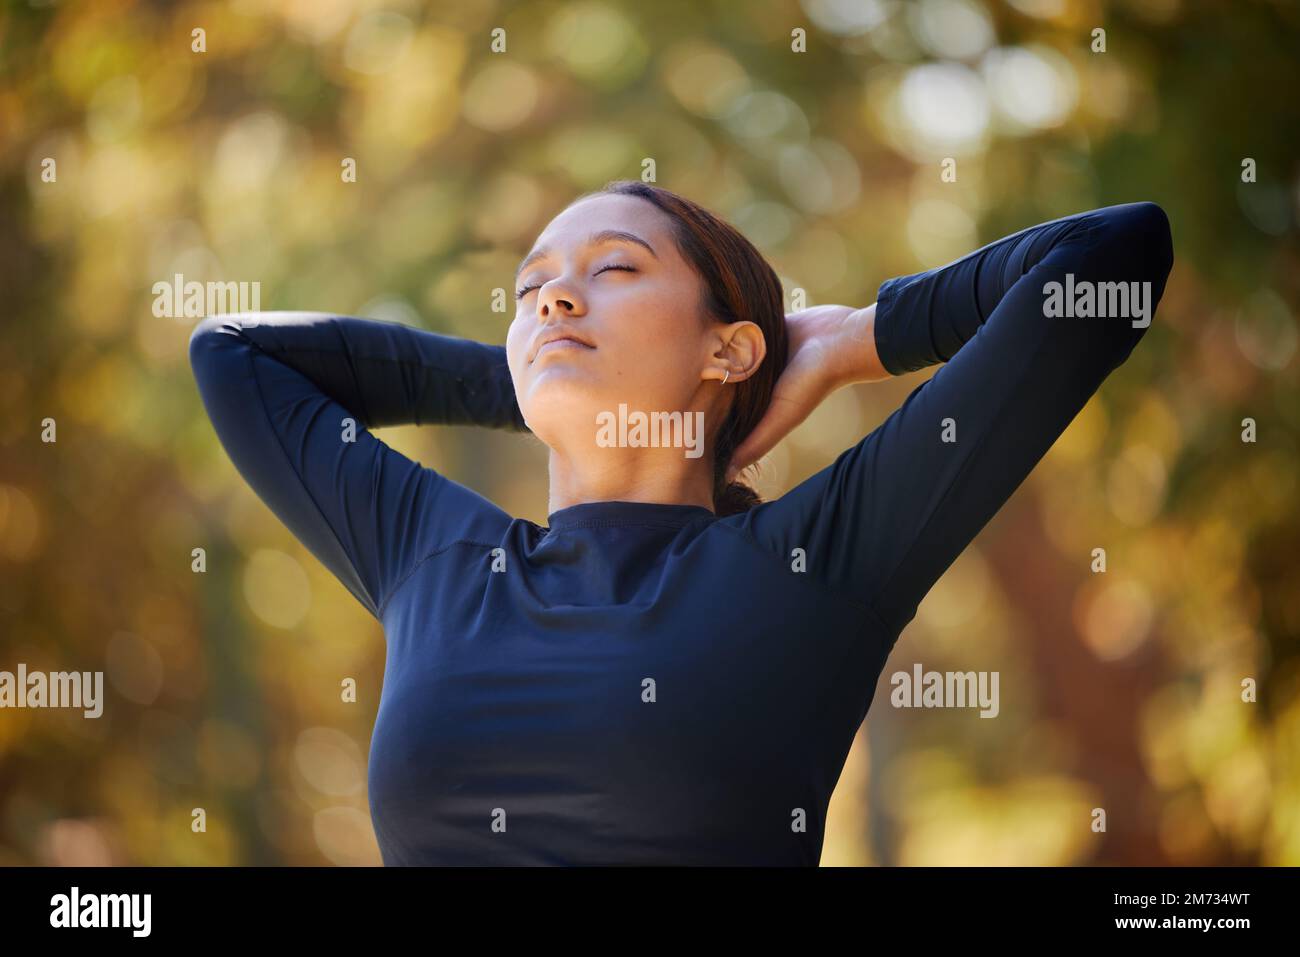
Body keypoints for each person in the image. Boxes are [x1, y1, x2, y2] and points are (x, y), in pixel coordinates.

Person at [189, 180, 1174, 865]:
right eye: (530, 290)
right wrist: (550, 370)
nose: (554, 296)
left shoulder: (815, 564)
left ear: (734, 349)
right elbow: (232, 354)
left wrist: (843, 342)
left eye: (613, 270)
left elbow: (1110, 255)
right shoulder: (435, 559)